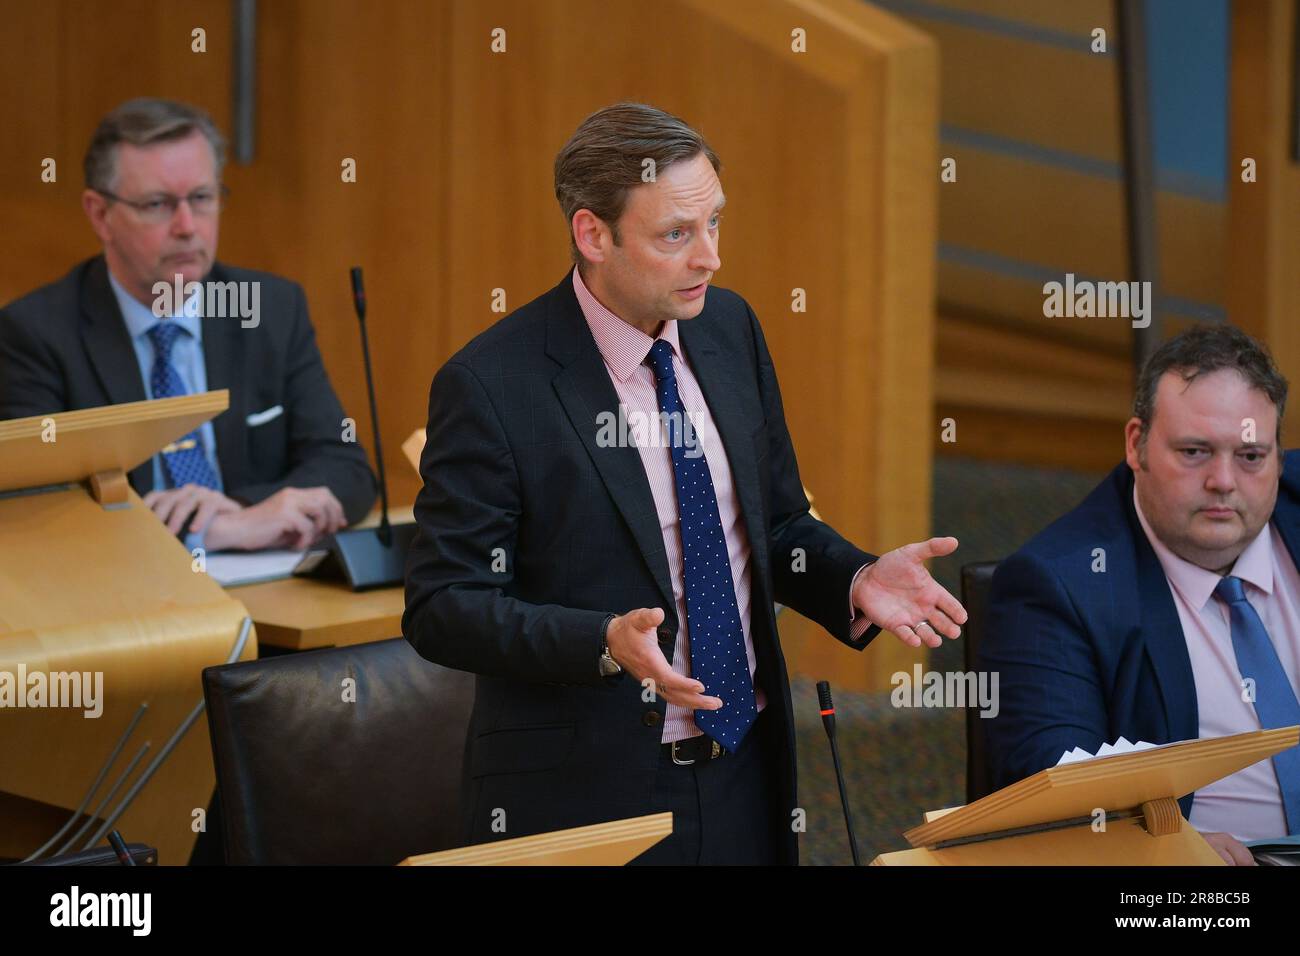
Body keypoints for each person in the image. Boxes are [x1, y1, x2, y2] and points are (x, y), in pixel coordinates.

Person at [403, 102, 967, 865]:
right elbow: (443, 606)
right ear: (593, 234)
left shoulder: (727, 329)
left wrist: (855, 574)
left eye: (715, 225)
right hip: (587, 796)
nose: (711, 258)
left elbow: (772, 523)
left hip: (746, 770)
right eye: (676, 234)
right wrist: (601, 642)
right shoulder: (493, 384)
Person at [982, 324, 1300, 866]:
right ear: (1136, 444)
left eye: (1250, 457)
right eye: (1195, 452)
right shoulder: (1059, 585)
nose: (1223, 480)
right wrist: (1166, 846)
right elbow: (1053, 792)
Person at [0, 97, 376, 552]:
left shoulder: (269, 308)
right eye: (157, 204)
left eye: (201, 198)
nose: (187, 226)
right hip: (122, 599)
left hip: (266, 588)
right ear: (100, 214)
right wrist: (203, 533)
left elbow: (345, 466)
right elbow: (36, 509)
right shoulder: (35, 333)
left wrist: (240, 510)